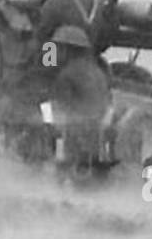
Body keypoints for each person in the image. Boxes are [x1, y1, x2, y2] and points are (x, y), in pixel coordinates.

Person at [48, 25, 112, 171]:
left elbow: (61, 106)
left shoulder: (68, 74)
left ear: (68, 50)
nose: (56, 52)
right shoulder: (97, 70)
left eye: (59, 48)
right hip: (97, 126)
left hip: (76, 131)